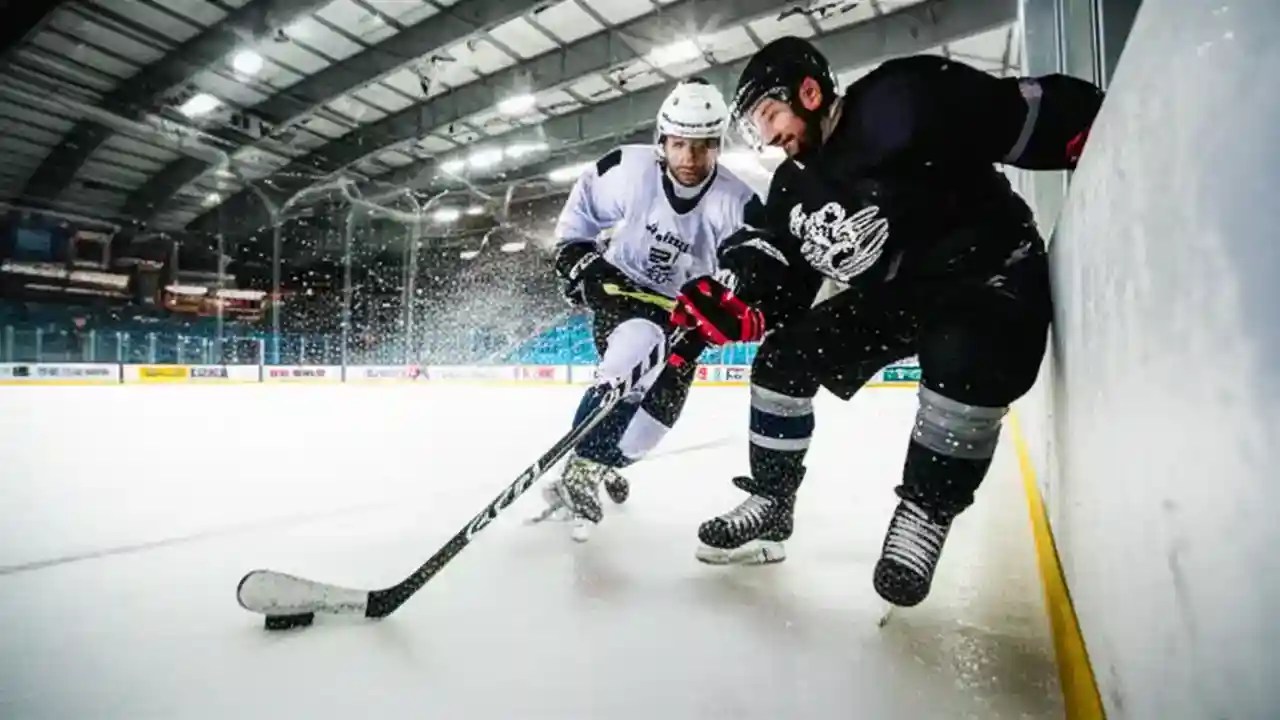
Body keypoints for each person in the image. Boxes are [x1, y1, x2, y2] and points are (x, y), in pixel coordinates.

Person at [669, 36, 1103, 606]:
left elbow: (1023, 116)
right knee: (781, 360)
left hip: (991, 270)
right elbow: (781, 274)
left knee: (965, 360)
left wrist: (1096, 124)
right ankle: (773, 503)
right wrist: (739, 298)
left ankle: (925, 511)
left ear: (809, 90)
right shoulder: (795, 186)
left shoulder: (903, 99)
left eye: (770, 115)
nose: (769, 136)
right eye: (757, 127)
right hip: (903, 295)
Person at [533, 78, 762, 541]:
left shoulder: (738, 202)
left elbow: (753, 270)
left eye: (701, 147)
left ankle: (604, 464)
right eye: (679, 144)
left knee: (644, 434)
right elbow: (579, 218)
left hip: (685, 315)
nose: (689, 160)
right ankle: (583, 468)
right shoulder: (630, 169)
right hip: (623, 291)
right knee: (638, 346)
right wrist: (577, 256)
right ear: (662, 140)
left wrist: (738, 301)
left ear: (717, 145)